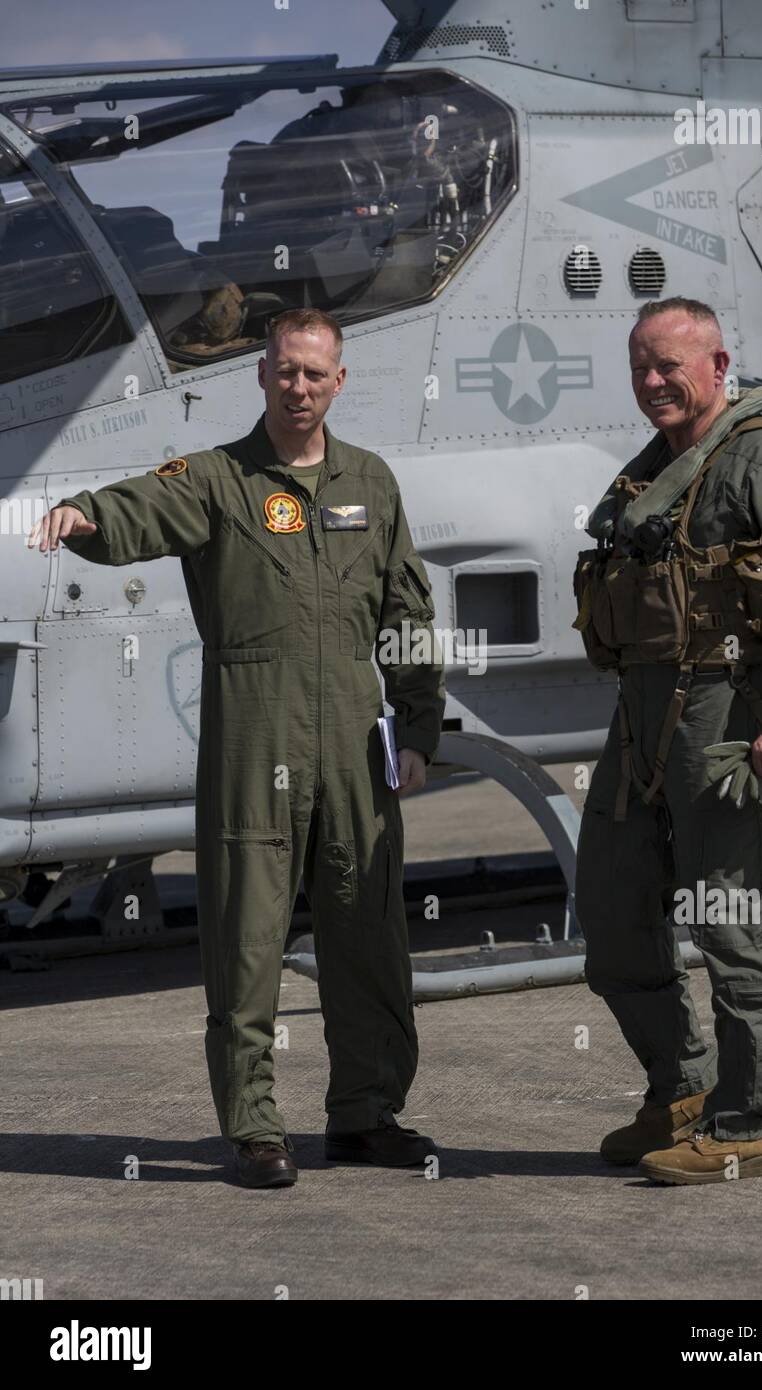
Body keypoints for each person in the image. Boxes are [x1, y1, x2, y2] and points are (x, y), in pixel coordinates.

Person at [29, 308, 446, 1189]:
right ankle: (256, 1128)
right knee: (248, 938)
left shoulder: (370, 481)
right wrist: (80, 515)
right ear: (261, 376)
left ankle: (367, 1114)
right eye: (285, 371)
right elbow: (141, 505)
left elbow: (407, 611)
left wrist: (417, 727)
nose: (298, 387)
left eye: (314, 374)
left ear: (340, 382)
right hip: (255, 738)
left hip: (354, 748)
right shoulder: (218, 479)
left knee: (367, 930)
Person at [573, 297, 762, 1184]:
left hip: (725, 722)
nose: (654, 381)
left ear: (718, 362)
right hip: (640, 718)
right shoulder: (654, 467)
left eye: (671, 365)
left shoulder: (759, 455)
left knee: (735, 925)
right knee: (616, 920)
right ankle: (682, 1090)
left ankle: (744, 1127)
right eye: (641, 368)